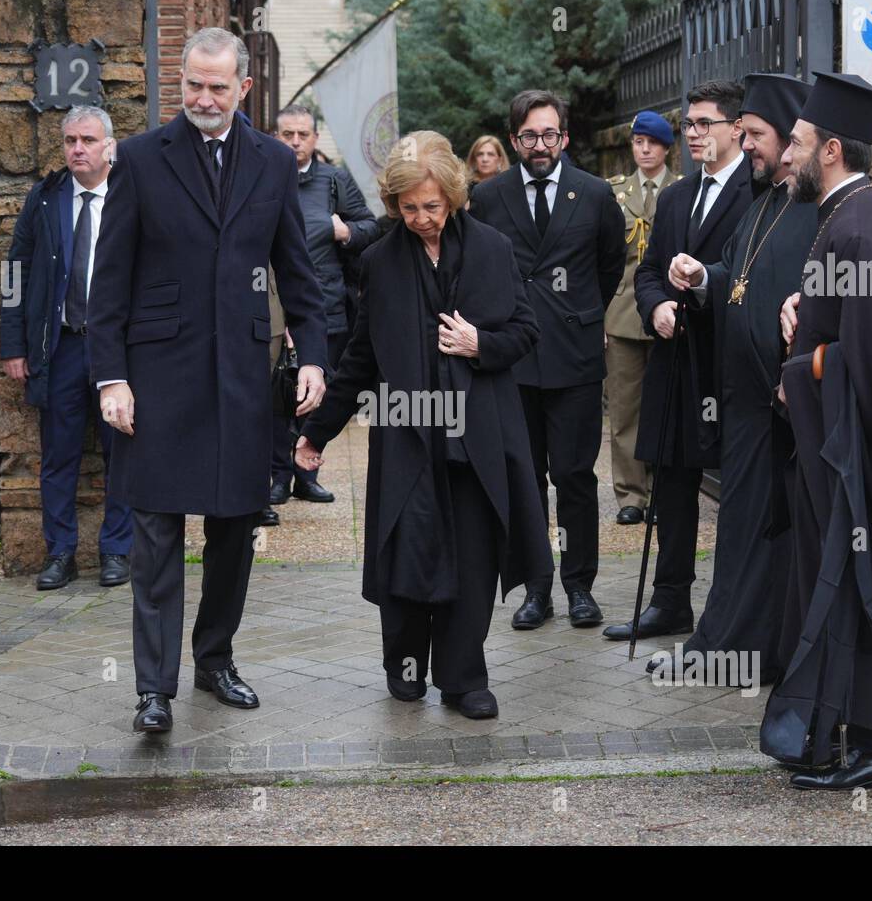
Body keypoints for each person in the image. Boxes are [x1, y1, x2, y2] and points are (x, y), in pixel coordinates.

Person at [88, 28, 328, 732]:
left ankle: (215, 659)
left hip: (243, 384)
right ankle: (153, 689)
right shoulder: (138, 158)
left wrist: (312, 355)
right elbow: (109, 284)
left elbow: (298, 271)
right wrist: (111, 378)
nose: (203, 98)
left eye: (218, 87)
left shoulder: (275, 162)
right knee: (157, 533)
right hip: (159, 379)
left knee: (233, 530)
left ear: (244, 89)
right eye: (193, 84)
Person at [295, 132, 552, 718]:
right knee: (407, 550)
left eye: (431, 207)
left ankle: (464, 680)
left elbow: (527, 330)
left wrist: (479, 342)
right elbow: (360, 357)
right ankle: (405, 664)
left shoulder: (492, 249)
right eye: (408, 208)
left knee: (473, 556)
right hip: (407, 434)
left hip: (477, 437)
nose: (420, 219)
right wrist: (317, 434)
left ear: (454, 198)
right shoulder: (378, 261)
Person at [767, 72, 872, 790]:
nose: (786, 157)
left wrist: (805, 361)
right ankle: (851, 739)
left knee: (857, 591)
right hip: (840, 449)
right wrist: (805, 321)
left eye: (798, 145)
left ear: (831, 149)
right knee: (838, 591)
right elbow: (848, 332)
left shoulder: (861, 225)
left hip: (853, 455)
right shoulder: (850, 216)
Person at [638, 74, 816, 681]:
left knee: (774, 530)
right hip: (742, 400)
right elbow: (737, 273)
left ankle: (760, 647)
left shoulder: (818, 208)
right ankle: (729, 639)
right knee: (738, 525)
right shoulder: (767, 201)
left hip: (778, 401)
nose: (753, 145)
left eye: (759, 136)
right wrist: (702, 277)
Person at [469, 89, 626, 631]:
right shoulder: (489, 197)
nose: (542, 145)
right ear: (514, 140)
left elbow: (609, 267)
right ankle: (535, 588)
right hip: (512, 360)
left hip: (575, 357)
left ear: (565, 136)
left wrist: (582, 317)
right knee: (525, 478)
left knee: (575, 476)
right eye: (530, 136)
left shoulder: (595, 193)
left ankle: (579, 584)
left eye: (550, 134)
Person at [603, 80, 752, 642]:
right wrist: (657, 304)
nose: (692, 134)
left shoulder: (758, 192)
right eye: (688, 125)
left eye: (704, 124)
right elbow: (645, 271)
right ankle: (670, 601)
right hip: (673, 360)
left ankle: (730, 606)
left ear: (736, 128)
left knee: (735, 485)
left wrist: (702, 284)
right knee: (671, 483)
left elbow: (750, 275)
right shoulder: (674, 197)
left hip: (725, 361)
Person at [1, 106, 133, 590]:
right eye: (70, 140)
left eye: (88, 140)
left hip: (117, 351)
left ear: (109, 146)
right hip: (60, 349)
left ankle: (117, 549)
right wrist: (14, 344)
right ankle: (60, 553)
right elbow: (17, 274)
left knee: (124, 451)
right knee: (58, 456)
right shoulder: (45, 198)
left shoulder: (130, 196)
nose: (77, 149)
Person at [268, 103, 377, 508]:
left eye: (303, 134)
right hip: (275, 307)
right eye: (287, 134)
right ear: (276, 136)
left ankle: (306, 474)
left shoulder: (335, 180)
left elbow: (371, 227)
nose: (295, 141)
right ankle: (278, 476)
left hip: (326, 307)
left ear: (315, 139)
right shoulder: (264, 176)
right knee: (277, 398)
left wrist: (345, 230)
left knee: (316, 394)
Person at [604, 111, 679, 526]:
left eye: (652, 142)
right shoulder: (614, 192)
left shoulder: (682, 190)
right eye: (638, 142)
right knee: (625, 408)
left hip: (666, 310)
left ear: (667, 147)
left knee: (666, 405)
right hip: (621, 314)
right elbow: (602, 258)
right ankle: (632, 494)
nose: (644, 149)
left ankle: (664, 490)